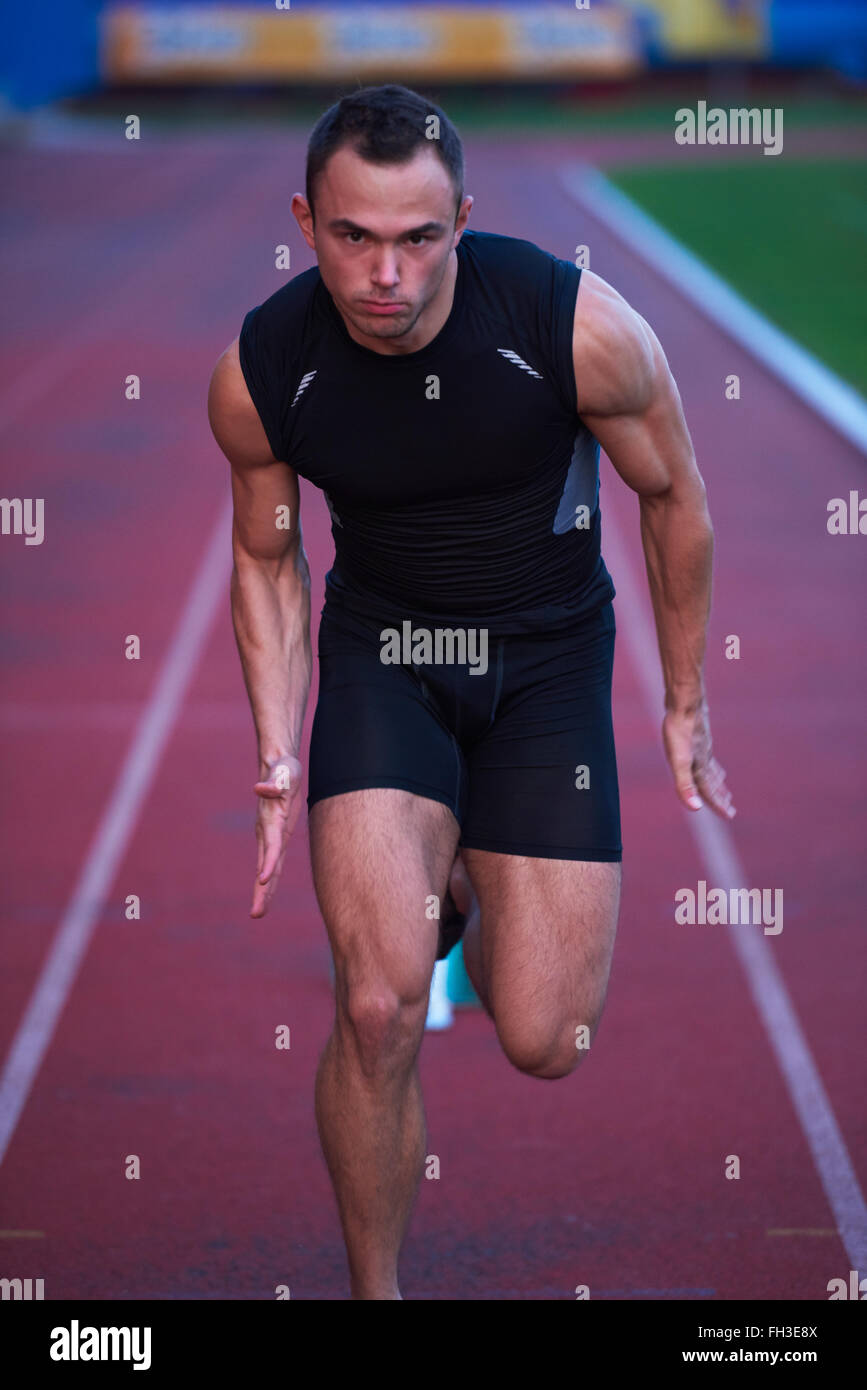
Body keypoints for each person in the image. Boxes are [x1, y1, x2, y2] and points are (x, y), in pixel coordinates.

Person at [207, 84, 735, 1301]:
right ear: (305, 219)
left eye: (418, 237)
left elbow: (677, 499)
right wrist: (278, 753)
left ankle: (465, 887)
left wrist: (687, 698)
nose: (385, 273)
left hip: (548, 665)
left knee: (549, 1036)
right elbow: (265, 553)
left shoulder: (573, 326)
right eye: (353, 237)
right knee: (383, 1006)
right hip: (386, 659)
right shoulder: (264, 367)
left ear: (464, 221)